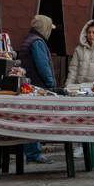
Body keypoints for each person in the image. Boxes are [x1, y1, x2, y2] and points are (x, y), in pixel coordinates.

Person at [18, 14, 57, 162]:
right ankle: (34, 153)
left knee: (30, 118)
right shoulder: (37, 42)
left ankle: (32, 152)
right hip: (36, 87)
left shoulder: (28, 39)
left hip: (28, 85)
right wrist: (51, 85)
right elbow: (43, 66)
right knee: (34, 119)